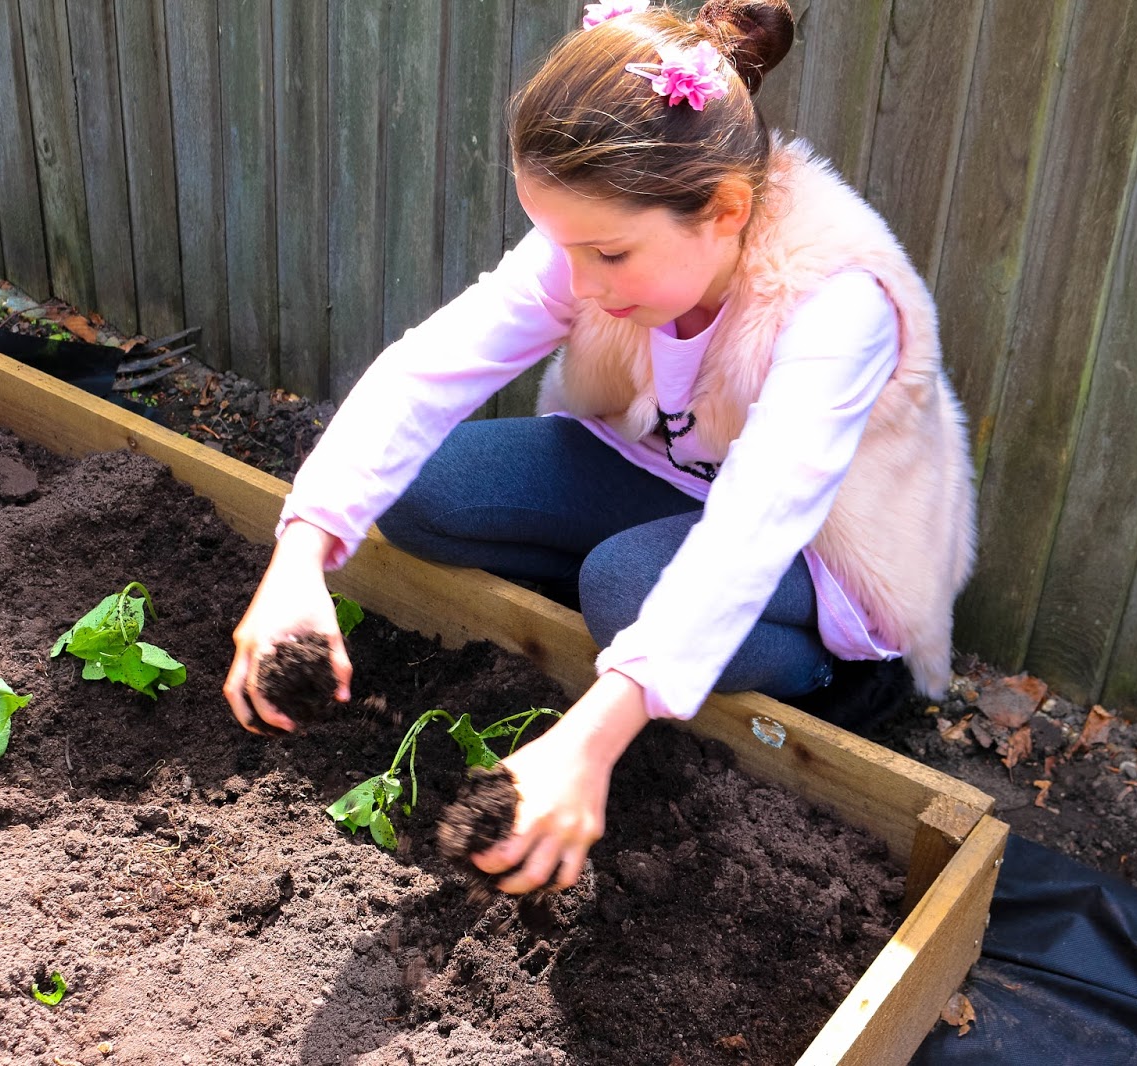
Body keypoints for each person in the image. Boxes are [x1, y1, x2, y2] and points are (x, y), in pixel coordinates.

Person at [225, 0, 976, 896]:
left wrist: (590, 739)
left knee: (623, 590)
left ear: (726, 209)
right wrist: (300, 551)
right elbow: (431, 368)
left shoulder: (837, 304)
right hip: (659, 475)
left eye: (608, 255)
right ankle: (625, 614)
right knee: (417, 487)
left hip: (820, 557)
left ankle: (827, 680)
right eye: (561, 245)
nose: (578, 283)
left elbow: (761, 516)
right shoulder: (602, 246)